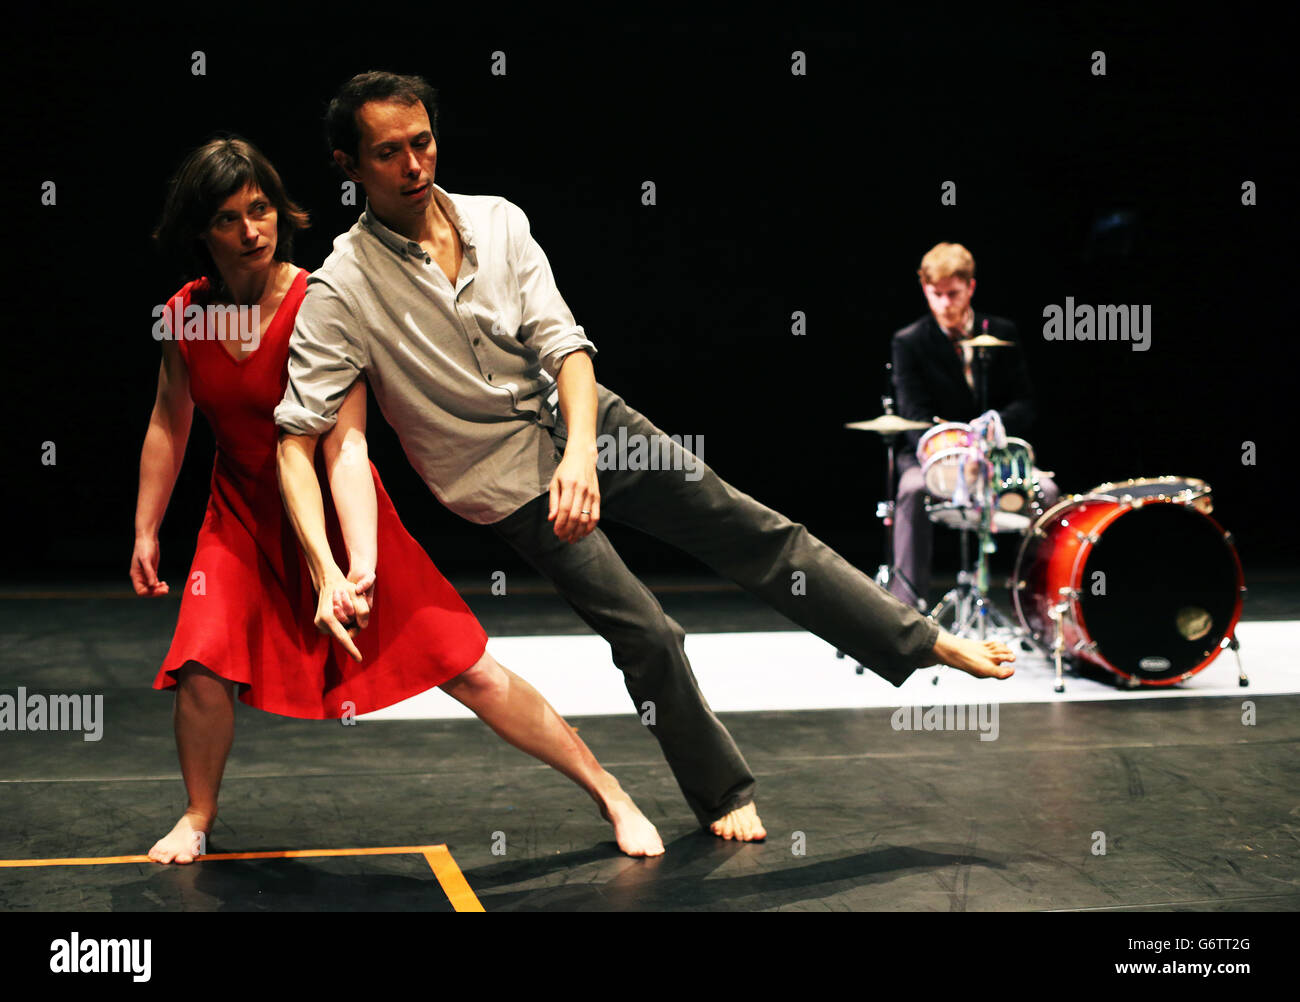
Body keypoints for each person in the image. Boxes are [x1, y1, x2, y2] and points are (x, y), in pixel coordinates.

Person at [274, 72, 1017, 846]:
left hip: (585, 425)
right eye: (388, 153)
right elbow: (300, 438)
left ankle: (923, 639)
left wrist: (584, 458)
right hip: (502, 478)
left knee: (755, 530)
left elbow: (566, 347)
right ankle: (720, 789)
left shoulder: (497, 222)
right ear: (350, 167)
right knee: (648, 632)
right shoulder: (343, 288)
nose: (414, 166)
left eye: (422, 142)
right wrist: (325, 568)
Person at [134, 136, 664, 864]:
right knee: (200, 665)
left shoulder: (322, 300)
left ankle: (610, 790)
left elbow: (344, 446)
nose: (251, 232)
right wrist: (146, 529)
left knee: (468, 666)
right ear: (201, 228)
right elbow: (170, 418)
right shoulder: (188, 315)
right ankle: (197, 816)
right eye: (228, 219)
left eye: (260, 211)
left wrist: (354, 563)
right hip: (241, 519)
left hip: (339, 509)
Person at [889, 242, 1060, 609]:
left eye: (954, 294)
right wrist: (955, 448)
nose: (946, 304)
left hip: (994, 454)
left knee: (1046, 492)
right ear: (925, 290)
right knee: (911, 489)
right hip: (933, 456)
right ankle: (904, 609)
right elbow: (913, 414)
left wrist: (995, 426)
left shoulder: (1001, 332)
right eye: (937, 295)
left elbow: (1026, 402)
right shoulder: (909, 341)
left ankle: (1042, 605)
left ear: (971, 288)